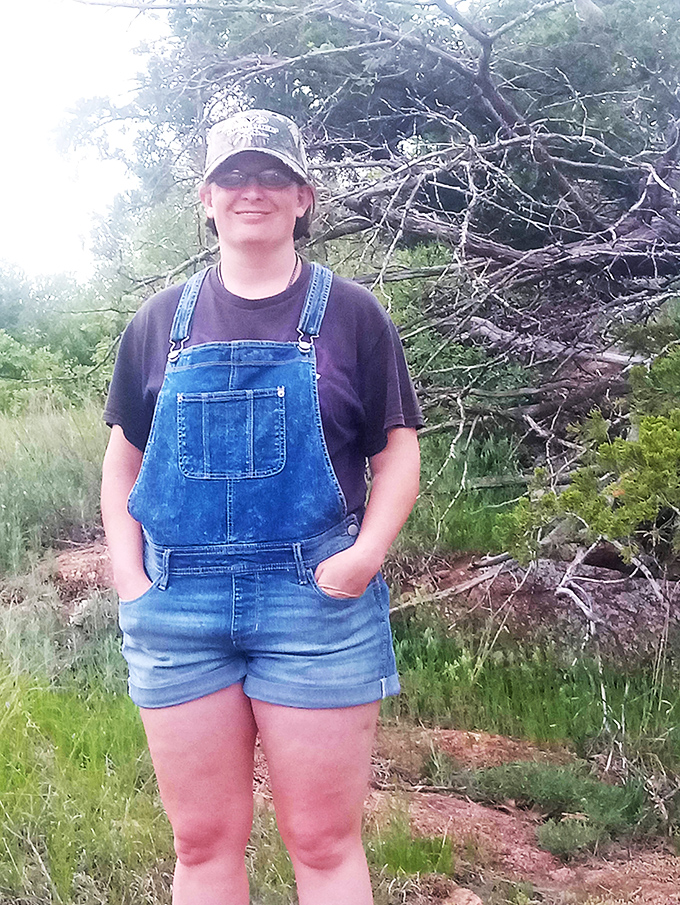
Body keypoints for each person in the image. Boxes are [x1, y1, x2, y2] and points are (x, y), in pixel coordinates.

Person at [101, 109, 422, 905]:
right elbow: (122, 463)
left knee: (321, 841)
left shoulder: (353, 315)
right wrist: (129, 580)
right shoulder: (156, 323)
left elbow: (397, 453)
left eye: (273, 176)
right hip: (178, 607)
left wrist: (364, 557)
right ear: (206, 198)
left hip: (317, 602)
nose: (254, 191)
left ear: (303, 196)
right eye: (235, 178)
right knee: (203, 843)